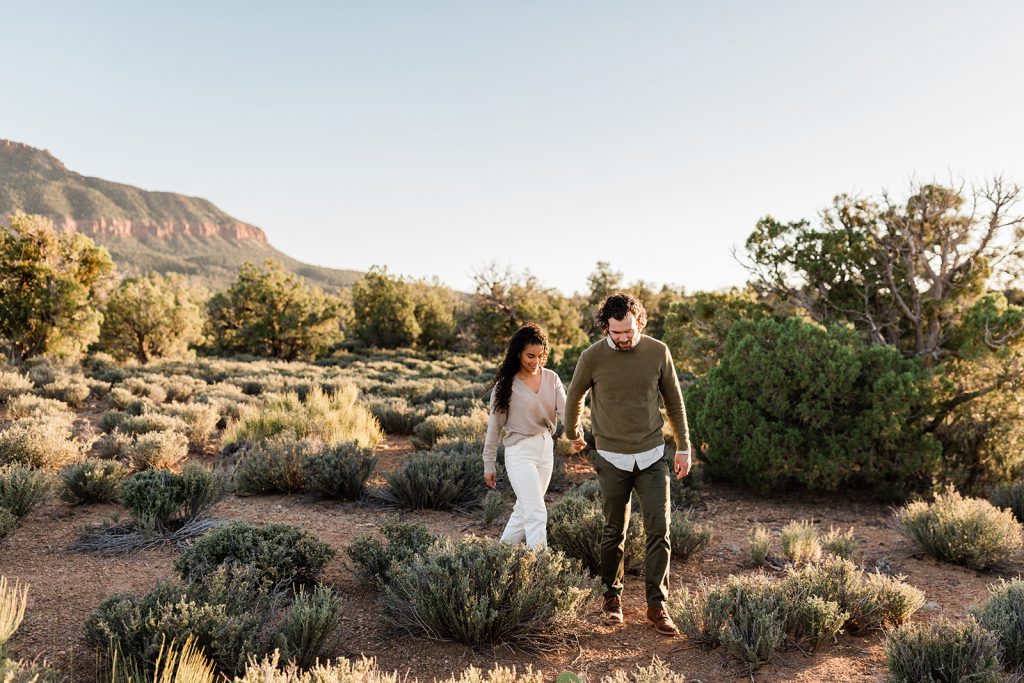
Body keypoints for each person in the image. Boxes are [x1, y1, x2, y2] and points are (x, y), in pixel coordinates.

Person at [564, 292, 691, 636]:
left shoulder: (657, 351)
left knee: (659, 532)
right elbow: (575, 394)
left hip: (652, 455)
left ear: (640, 323)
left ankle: (657, 606)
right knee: (613, 533)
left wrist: (684, 448)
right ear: (606, 327)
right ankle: (611, 598)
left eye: (630, 331)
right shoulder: (591, 357)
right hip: (611, 457)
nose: (624, 338)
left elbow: (675, 403)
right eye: (617, 332)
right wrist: (572, 431)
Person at [482, 322, 566, 550]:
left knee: (524, 509)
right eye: (530, 355)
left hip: (545, 449)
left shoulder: (551, 378)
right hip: (519, 452)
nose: (535, 361)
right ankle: (543, 568)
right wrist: (488, 463)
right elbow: (494, 427)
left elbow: (565, 411)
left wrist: (575, 433)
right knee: (537, 512)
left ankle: (500, 556)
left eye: (540, 356)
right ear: (518, 352)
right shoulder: (505, 386)